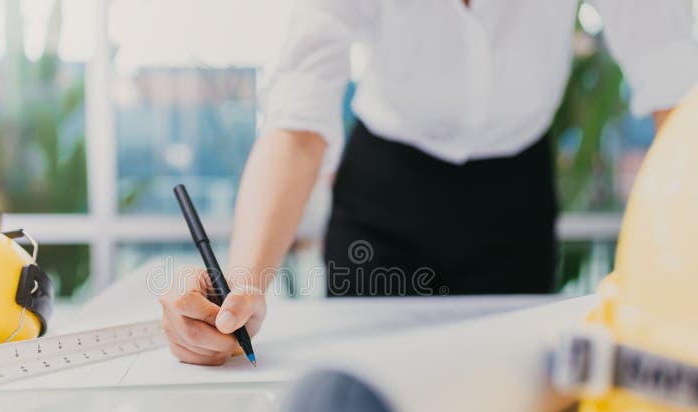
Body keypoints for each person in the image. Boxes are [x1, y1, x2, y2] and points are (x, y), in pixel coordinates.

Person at [159, 0, 698, 366]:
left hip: (515, 197)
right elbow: (298, 120)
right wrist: (243, 284)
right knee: (365, 402)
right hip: (385, 196)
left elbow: (674, 82)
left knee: (507, 405)